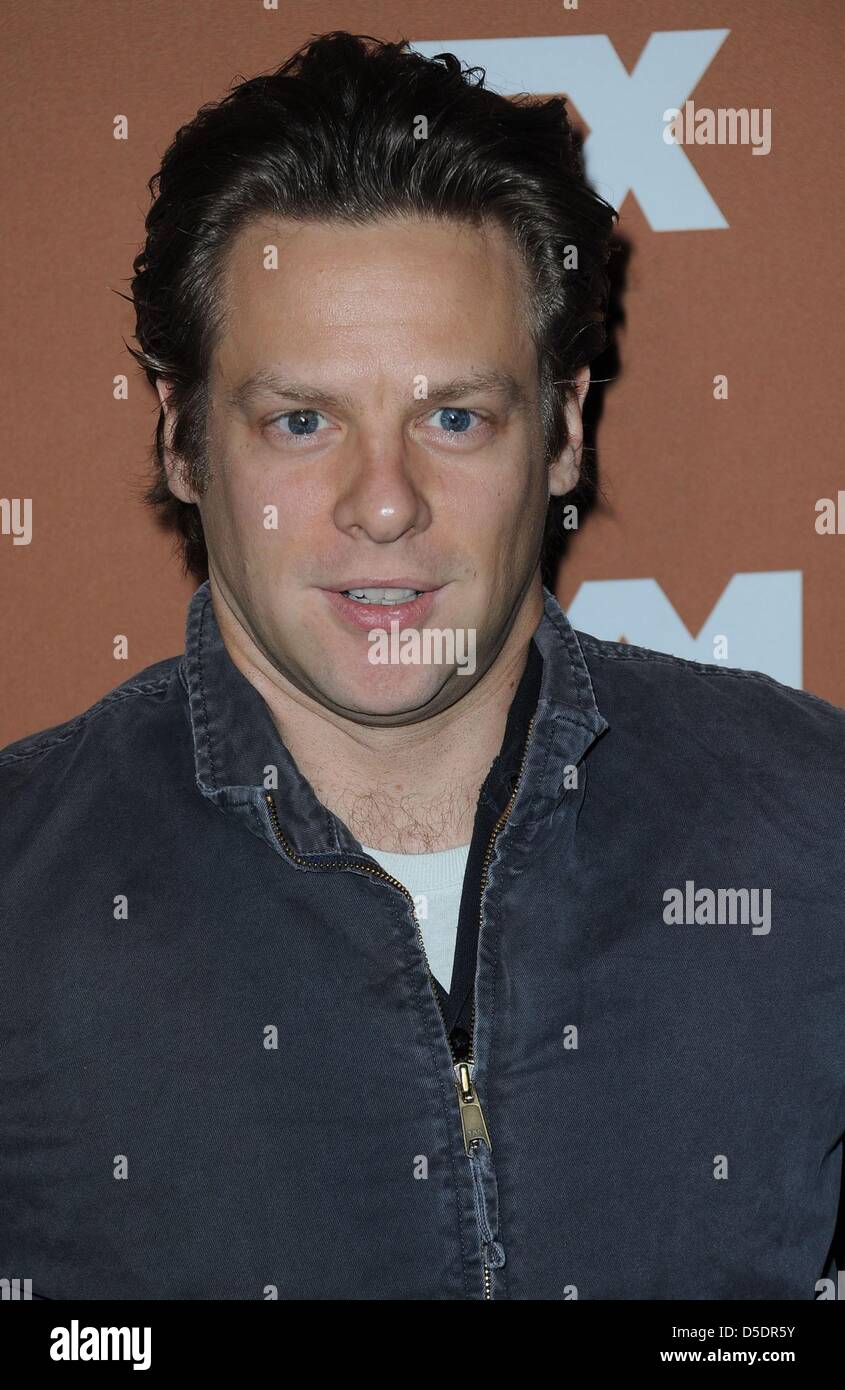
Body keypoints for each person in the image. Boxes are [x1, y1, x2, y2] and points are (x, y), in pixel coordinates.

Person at [1, 31, 842, 1302]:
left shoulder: (816, 829)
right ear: (180, 441)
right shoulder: (21, 895)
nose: (382, 504)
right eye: (301, 420)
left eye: (454, 416)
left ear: (561, 431)